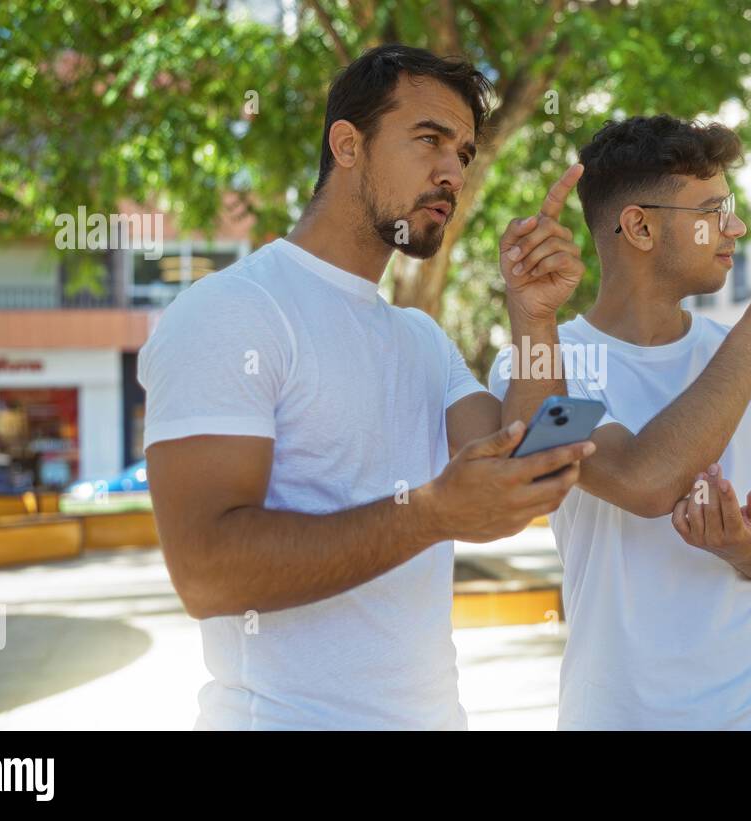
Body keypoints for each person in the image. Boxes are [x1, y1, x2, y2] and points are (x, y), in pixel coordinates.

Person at [138, 45, 593, 730]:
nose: (452, 172)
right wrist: (431, 512)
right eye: (430, 140)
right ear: (347, 145)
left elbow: (517, 477)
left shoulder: (420, 339)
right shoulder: (233, 312)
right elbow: (206, 572)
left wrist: (533, 314)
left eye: (464, 154)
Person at [490, 115, 751, 729]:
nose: (736, 227)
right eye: (712, 209)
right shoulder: (543, 363)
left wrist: (748, 547)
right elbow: (641, 480)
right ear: (640, 226)